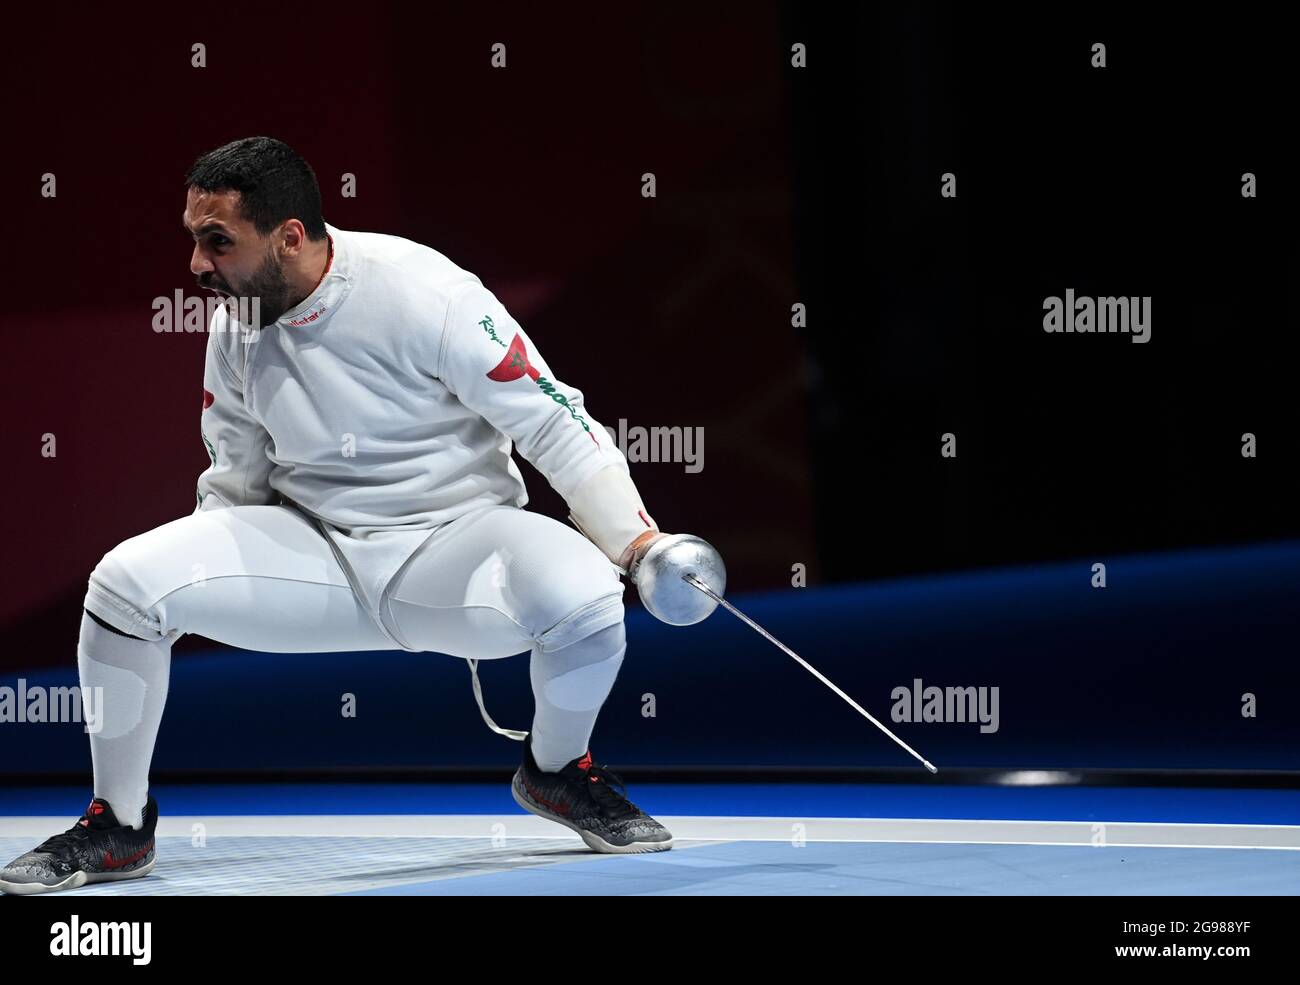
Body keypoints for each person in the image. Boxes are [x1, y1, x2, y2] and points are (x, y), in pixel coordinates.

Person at [0, 136, 672, 896]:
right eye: (193, 239)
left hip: (457, 551)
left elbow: (553, 419)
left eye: (217, 241)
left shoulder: (428, 292)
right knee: (123, 585)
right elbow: (235, 473)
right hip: (317, 559)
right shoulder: (239, 319)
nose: (195, 265)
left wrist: (637, 541)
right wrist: (205, 576)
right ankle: (118, 823)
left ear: (290, 236)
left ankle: (558, 770)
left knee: (585, 596)